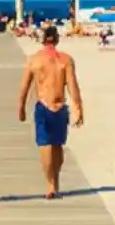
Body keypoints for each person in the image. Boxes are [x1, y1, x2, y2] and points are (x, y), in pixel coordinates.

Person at [17, 25, 83, 199]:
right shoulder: (65, 60)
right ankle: (54, 183)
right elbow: (72, 86)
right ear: (57, 39)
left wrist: (21, 108)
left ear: (42, 39)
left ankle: (51, 184)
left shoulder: (34, 60)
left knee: (47, 146)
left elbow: (24, 87)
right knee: (56, 146)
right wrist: (78, 107)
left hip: (44, 105)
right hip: (59, 106)